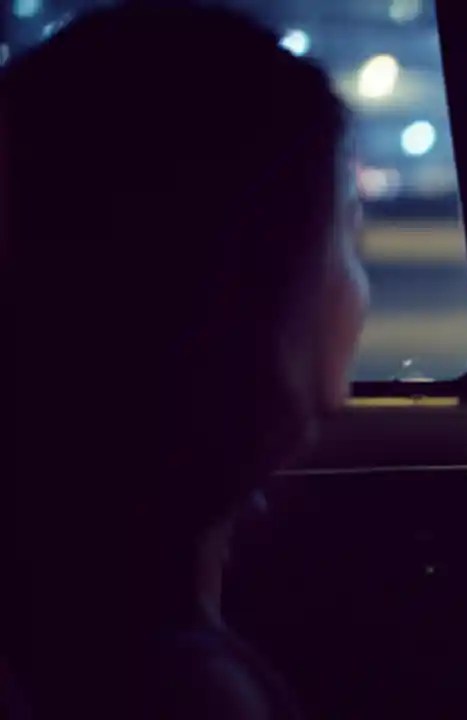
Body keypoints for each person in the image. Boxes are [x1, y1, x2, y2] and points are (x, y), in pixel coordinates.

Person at [0, 4, 369, 718]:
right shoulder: (172, 687)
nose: (360, 287)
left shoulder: (69, 590)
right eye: (345, 235)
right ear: (256, 281)